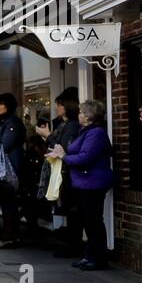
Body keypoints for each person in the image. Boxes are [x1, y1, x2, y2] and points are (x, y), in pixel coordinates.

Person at [51, 98, 113, 271]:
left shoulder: (96, 133)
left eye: (81, 112)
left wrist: (64, 157)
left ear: (88, 116)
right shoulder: (85, 131)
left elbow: (85, 157)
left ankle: (98, 258)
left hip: (92, 183)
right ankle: (90, 255)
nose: (79, 115)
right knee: (87, 220)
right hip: (83, 182)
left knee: (93, 221)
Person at [40, 89, 81, 256]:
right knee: (69, 208)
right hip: (62, 170)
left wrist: (48, 135)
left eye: (59, 104)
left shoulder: (70, 126)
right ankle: (71, 243)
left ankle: (74, 246)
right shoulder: (62, 123)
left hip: (67, 172)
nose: (56, 107)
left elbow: (62, 147)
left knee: (72, 209)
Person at [0, 93, 26, 249]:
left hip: (12, 168)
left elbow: (5, 145)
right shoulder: (3, 122)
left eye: (1, 103)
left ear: (9, 105)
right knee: (5, 203)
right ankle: (8, 235)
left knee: (9, 203)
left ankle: (10, 236)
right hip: (5, 167)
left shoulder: (13, 123)